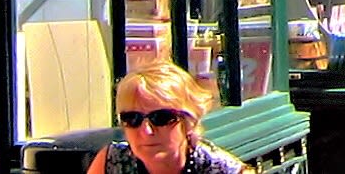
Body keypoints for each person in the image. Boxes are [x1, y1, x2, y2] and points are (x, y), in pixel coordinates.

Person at [86, 62, 247, 174]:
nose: (146, 131)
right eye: (132, 119)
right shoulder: (111, 162)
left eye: (161, 117)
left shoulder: (224, 170)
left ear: (189, 122)